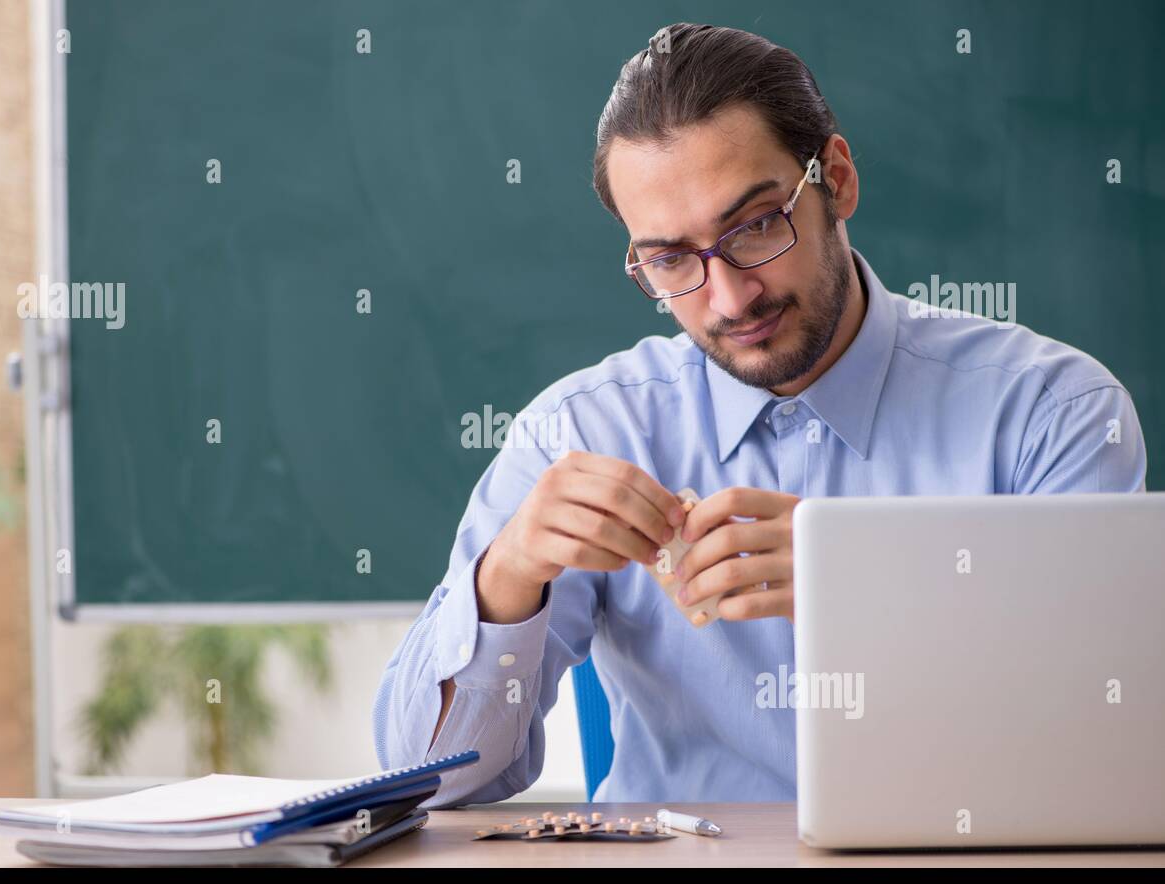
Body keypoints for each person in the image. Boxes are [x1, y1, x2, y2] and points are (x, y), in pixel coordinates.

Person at [373, 23, 1147, 806]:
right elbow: (421, 783)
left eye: (754, 227)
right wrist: (508, 576)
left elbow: (1114, 737)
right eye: (673, 259)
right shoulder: (583, 432)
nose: (730, 296)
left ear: (836, 181)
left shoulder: (1052, 415)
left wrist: (881, 588)